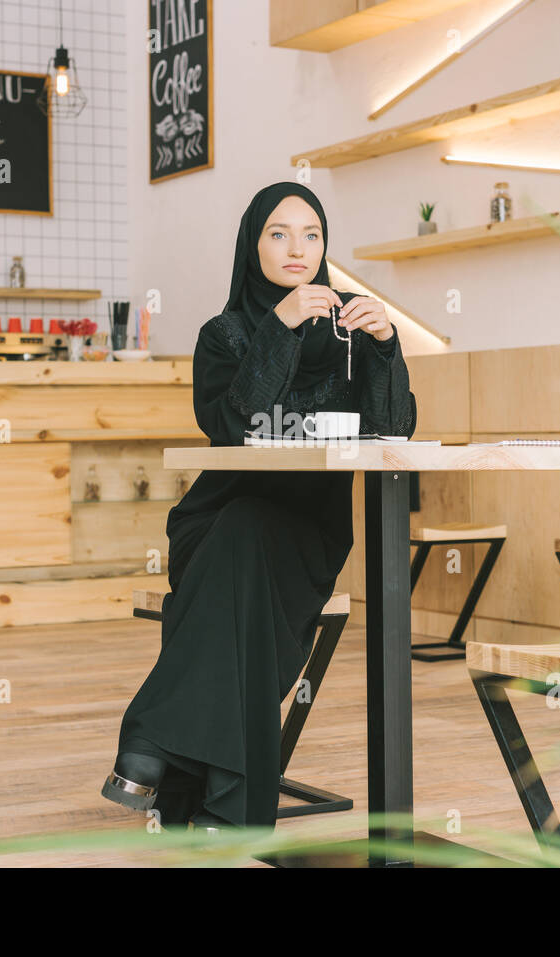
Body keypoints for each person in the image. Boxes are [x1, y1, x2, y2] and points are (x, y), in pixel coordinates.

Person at [102, 181, 417, 831]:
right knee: (242, 532)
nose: (297, 248)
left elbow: (394, 434)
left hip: (307, 532)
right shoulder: (225, 334)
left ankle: (154, 740)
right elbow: (238, 428)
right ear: (253, 243)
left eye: (311, 234)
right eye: (279, 232)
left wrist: (388, 348)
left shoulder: (354, 330)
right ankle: (229, 805)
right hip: (217, 520)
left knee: (245, 551)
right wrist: (280, 327)